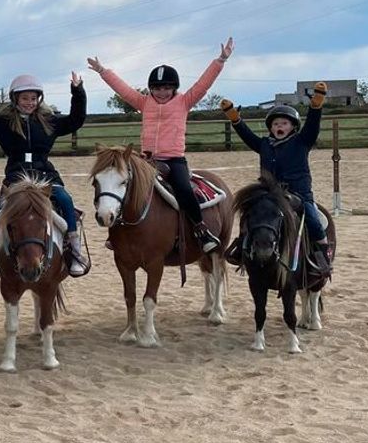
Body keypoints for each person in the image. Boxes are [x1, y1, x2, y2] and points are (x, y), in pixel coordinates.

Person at [87, 38, 234, 252]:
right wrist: (103, 71)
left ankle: (200, 229)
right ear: (151, 89)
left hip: (174, 159)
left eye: (167, 88)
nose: (162, 92)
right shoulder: (143, 103)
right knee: (125, 188)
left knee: (184, 189)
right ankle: (116, 232)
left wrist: (220, 60)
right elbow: (124, 90)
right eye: (157, 88)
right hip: (147, 159)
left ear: (174, 88)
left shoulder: (185, 102)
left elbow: (203, 84)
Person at [0, 71, 88, 277]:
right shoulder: (3, 124)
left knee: (65, 200)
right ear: (15, 99)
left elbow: (76, 120)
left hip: (45, 176)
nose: (30, 102)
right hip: (16, 179)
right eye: (25, 98)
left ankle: (74, 252)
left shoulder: (49, 121)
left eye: (33, 98)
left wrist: (77, 91)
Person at [220, 82, 331, 273]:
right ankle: (243, 248)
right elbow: (247, 136)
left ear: (293, 127)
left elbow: (312, 126)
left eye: (284, 123)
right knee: (249, 214)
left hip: (298, 194)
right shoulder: (265, 145)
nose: (279, 126)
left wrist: (316, 106)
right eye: (276, 124)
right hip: (269, 194)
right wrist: (235, 119)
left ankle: (322, 256)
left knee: (313, 220)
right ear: (271, 128)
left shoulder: (302, 141)